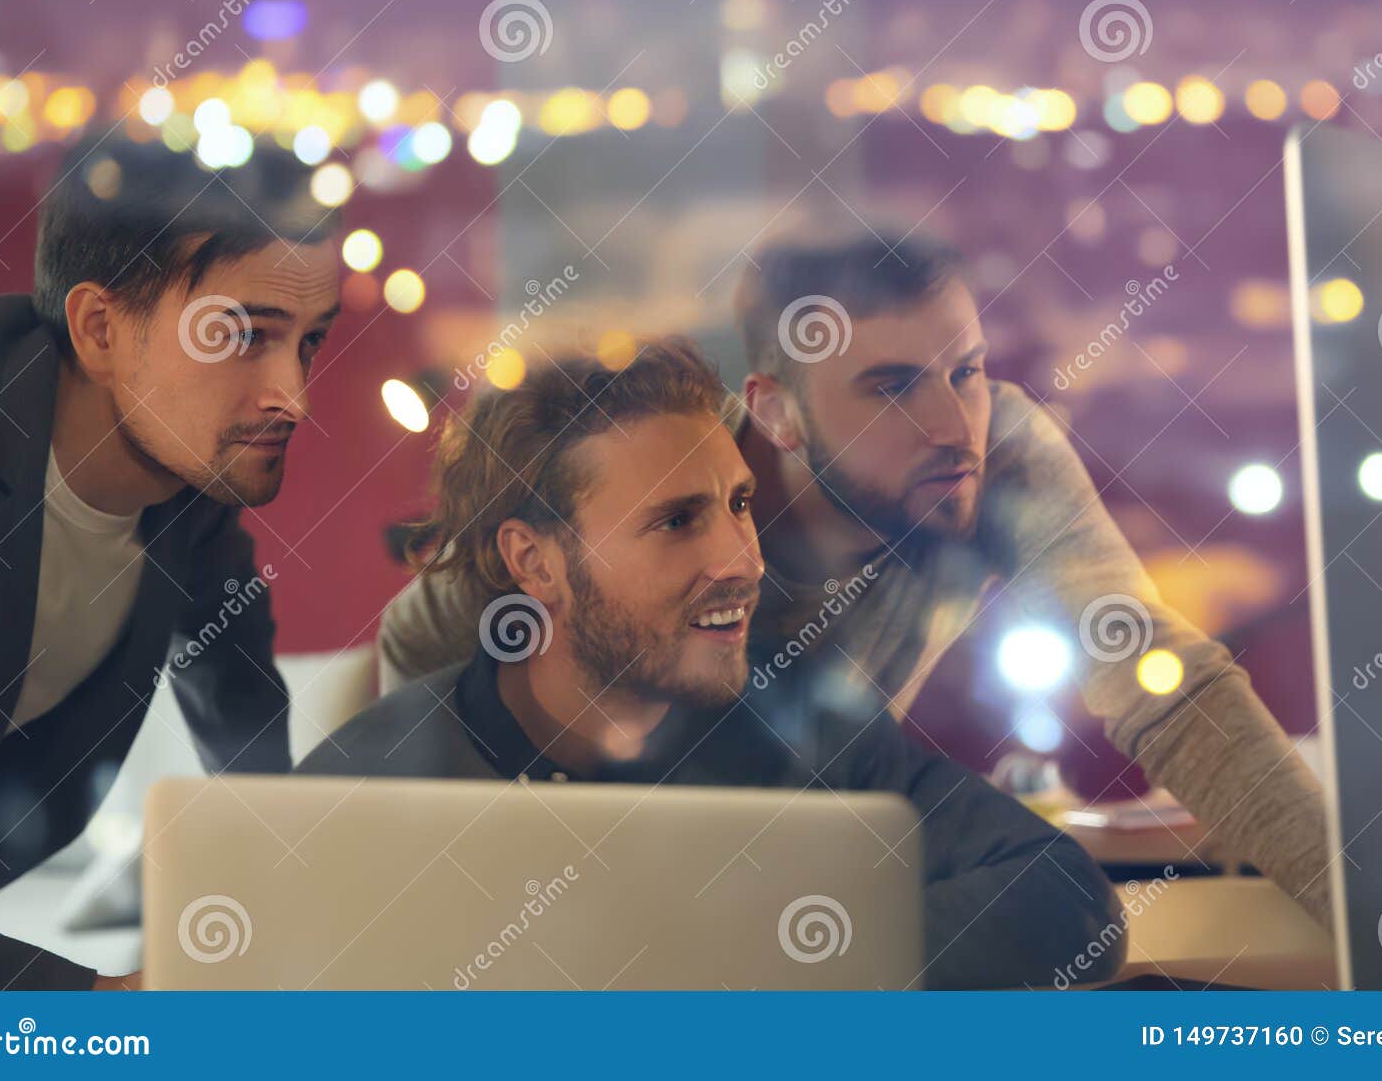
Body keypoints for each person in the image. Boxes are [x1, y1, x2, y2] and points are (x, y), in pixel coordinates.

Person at [377, 229, 1332, 926]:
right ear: (777, 413)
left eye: (965, 371)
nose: (952, 424)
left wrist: (1372, 914)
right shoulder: (664, 481)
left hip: (804, 886)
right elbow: (423, 635)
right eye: (892, 386)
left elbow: (1167, 688)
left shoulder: (994, 456)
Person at [298, 339, 1125, 989]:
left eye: (738, 504)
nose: (743, 560)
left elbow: (1065, 895)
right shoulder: (370, 779)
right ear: (535, 562)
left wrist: (766, 962)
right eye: (676, 522)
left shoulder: (805, 726)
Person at [0, 135, 341, 989]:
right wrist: (94, 998)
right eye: (241, 336)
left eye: (308, 342)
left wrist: (302, 922)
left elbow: (243, 726)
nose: (294, 398)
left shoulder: (190, 498)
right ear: (99, 328)